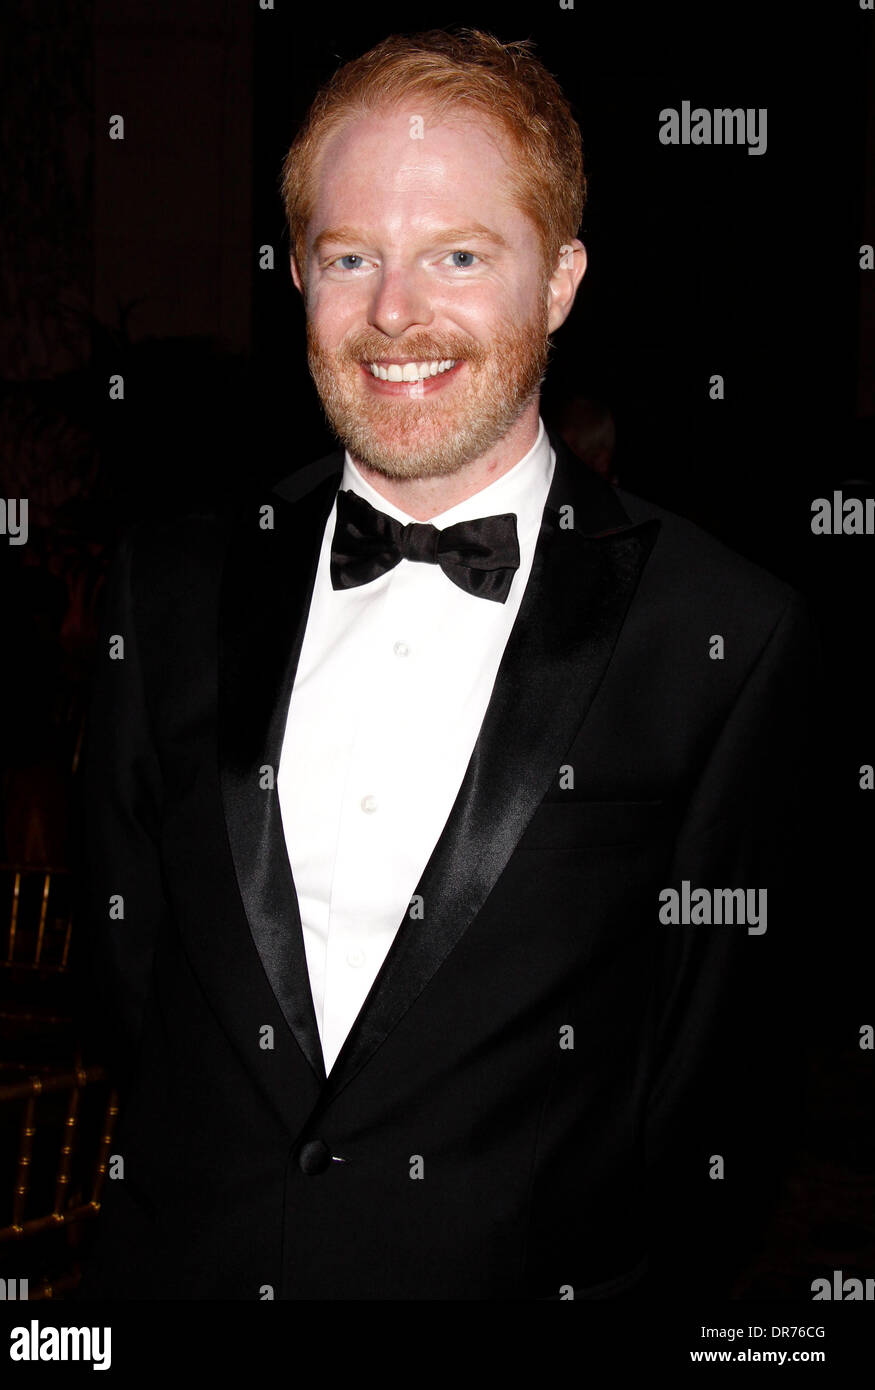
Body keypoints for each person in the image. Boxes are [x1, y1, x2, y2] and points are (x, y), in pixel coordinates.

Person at [77, 29, 818, 1300]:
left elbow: (716, 1086)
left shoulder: (722, 633)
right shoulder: (172, 587)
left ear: (562, 279)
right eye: (350, 256)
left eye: (459, 255)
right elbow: (129, 988)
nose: (394, 312)